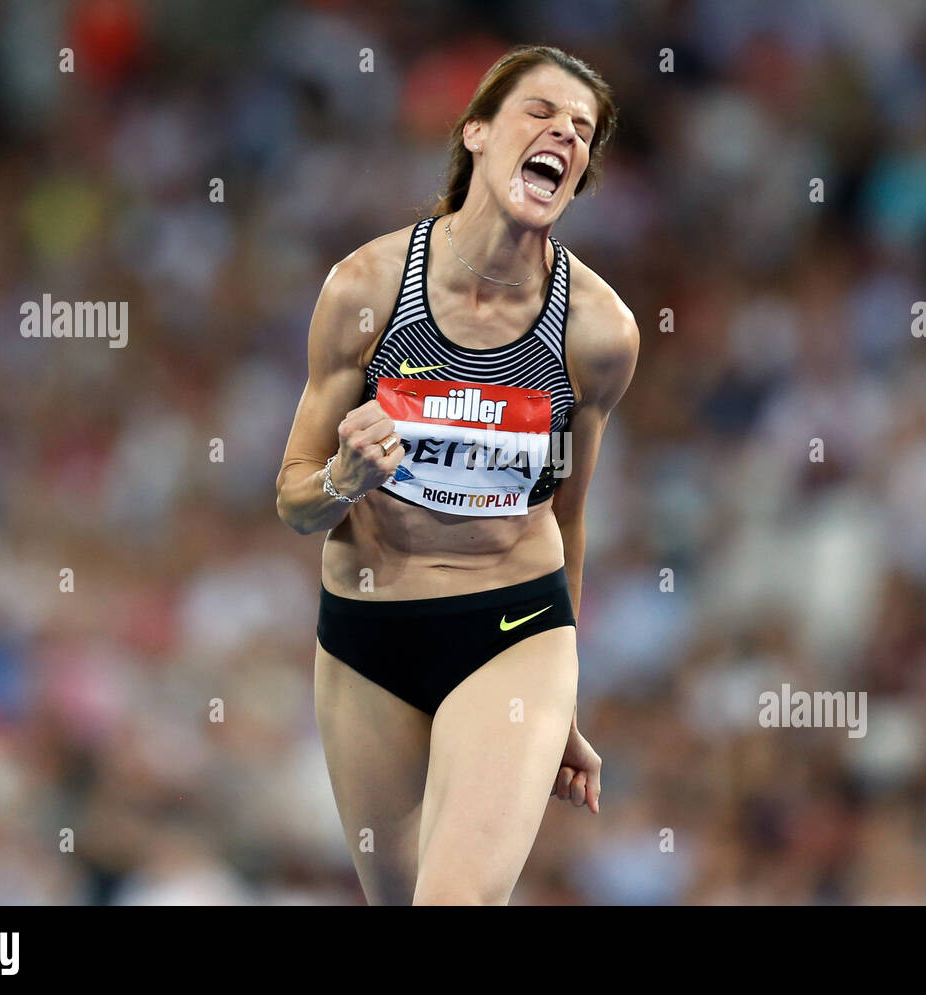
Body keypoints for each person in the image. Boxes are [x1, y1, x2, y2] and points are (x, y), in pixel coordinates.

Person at [276, 44, 638, 905]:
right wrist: (344, 479)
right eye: (541, 112)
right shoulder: (365, 287)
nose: (564, 134)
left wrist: (563, 702)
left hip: (513, 626)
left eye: (582, 130)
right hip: (368, 637)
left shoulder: (597, 332)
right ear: (477, 131)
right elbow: (293, 500)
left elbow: (570, 516)